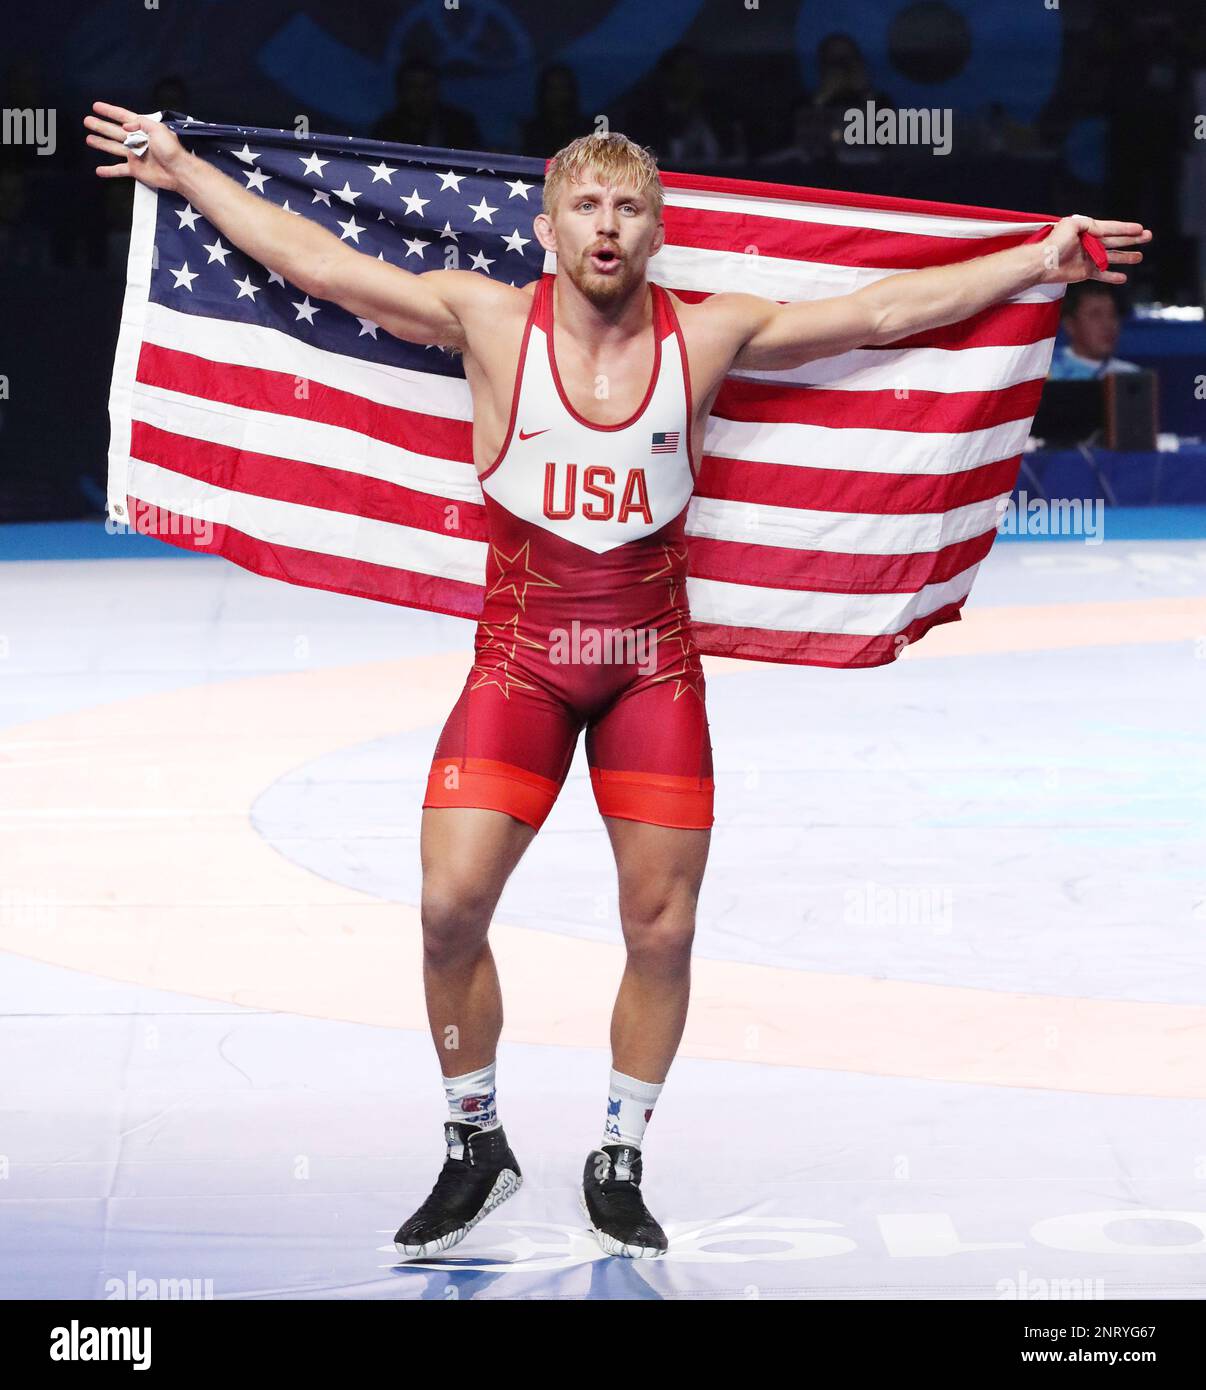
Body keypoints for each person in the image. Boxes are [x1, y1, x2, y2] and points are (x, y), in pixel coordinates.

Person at [84, 102, 1150, 1259]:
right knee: (448, 906)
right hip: (523, 665)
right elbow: (324, 266)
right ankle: (473, 1140)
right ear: (548, 227)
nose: (607, 224)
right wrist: (183, 171)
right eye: (586, 205)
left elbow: (883, 308)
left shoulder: (710, 332)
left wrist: (1042, 256)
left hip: (651, 673)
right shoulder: (487, 319)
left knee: (661, 928)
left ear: (656, 230)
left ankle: (619, 1155)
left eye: (629, 207)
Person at [1047, 280, 1141, 379]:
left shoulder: (1131, 376)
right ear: (1070, 324)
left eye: (1112, 315)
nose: (1108, 324)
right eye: (1095, 315)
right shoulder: (1045, 372)